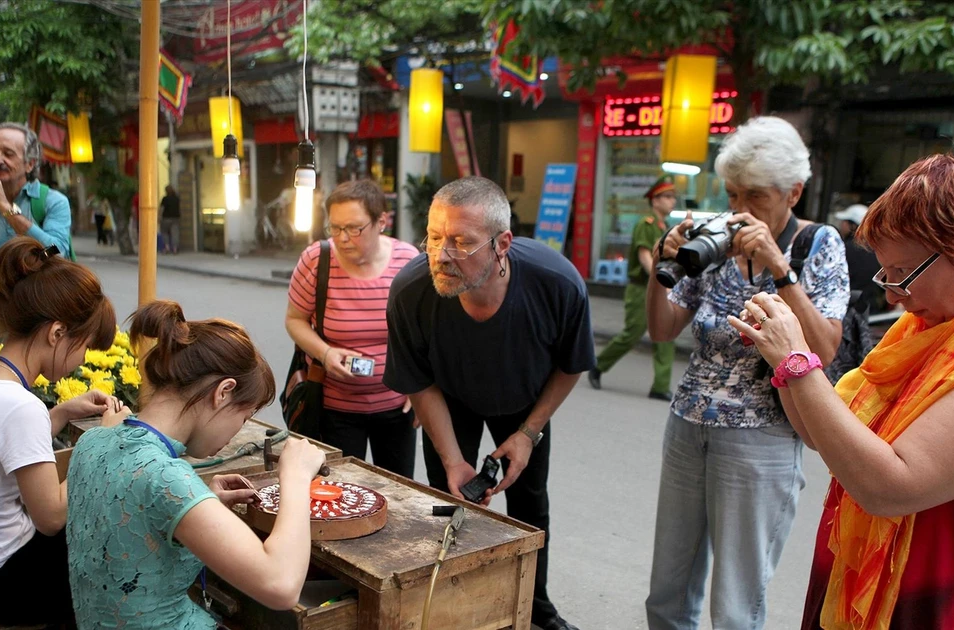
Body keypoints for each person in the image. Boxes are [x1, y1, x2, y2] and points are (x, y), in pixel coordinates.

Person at [728, 155, 954, 629]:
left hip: (940, 608)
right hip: (862, 592)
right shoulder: (928, 327)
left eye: (902, 272)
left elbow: (888, 488)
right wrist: (784, 361)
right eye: (885, 274)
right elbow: (825, 435)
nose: (892, 295)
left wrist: (798, 362)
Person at [644, 116, 849, 630]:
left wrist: (780, 268)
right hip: (688, 425)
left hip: (763, 436)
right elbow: (663, 328)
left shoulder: (818, 244)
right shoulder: (717, 240)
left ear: (793, 192)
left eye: (756, 196)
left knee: (736, 605)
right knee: (667, 593)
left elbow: (823, 347)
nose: (740, 209)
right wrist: (662, 266)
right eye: (733, 194)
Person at [384, 176, 595, 630]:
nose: (441, 255)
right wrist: (452, 460)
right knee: (449, 504)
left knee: (530, 506)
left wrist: (528, 434)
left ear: (502, 244)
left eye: (461, 242)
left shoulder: (557, 283)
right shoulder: (411, 290)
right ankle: (452, 609)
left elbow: (570, 365)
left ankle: (536, 609)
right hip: (449, 397)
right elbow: (419, 382)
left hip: (525, 400)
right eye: (434, 237)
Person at [67, 300, 326, 628]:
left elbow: (132, 513)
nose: (237, 432)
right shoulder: (167, 478)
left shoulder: (92, 442)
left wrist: (199, 500)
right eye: (244, 417)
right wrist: (296, 477)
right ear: (223, 392)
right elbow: (282, 586)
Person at [0, 236, 123, 626]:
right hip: (14, 586)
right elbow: (51, 517)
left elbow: (5, 444)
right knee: (125, 529)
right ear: (57, 333)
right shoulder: (19, 406)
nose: (83, 359)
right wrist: (102, 442)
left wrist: (61, 412)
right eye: (84, 346)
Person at [285, 180, 420, 477]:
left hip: (397, 407)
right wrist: (326, 353)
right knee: (339, 490)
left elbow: (425, 333)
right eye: (335, 228)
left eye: (354, 228)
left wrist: (421, 388)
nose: (343, 238)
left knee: (396, 488)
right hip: (334, 408)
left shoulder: (408, 262)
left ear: (381, 221)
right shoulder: (317, 260)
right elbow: (294, 320)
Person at [589, 175, 677, 400]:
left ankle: (660, 386)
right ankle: (598, 365)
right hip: (641, 289)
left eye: (672, 197)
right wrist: (661, 281)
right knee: (633, 333)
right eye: (667, 197)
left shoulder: (665, 227)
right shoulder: (645, 224)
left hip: (660, 289)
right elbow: (645, 256)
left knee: (666, 335)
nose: (672, 201)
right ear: (655, 200)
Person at [0, 123, 72, 264]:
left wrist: (6, 209)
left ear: (30, 164)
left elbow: (57, 254)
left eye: (8, 154)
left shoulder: (53, 201)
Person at [833, 203, 883, 315]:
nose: (841, 225)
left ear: (853, 225)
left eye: (845, 222)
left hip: (845, 310)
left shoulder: (843, 248)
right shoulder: (876, 250)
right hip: (870, 310)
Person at [160, 184, 181, 253]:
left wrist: (159, 217)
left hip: (166, 218)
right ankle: (175, 248)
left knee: (164, 232)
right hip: (175, 218)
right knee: (175, 233)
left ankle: (167, 247)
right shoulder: (176, 198)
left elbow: (162, 209)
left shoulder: (165, 199)